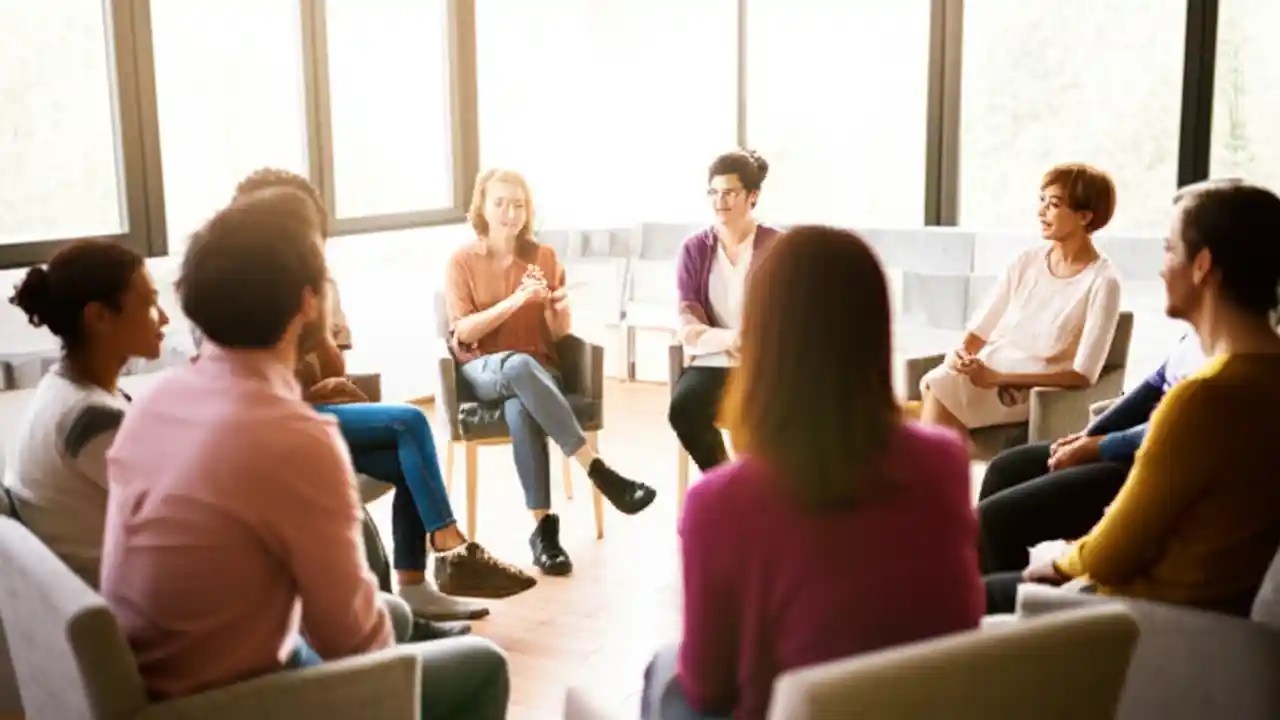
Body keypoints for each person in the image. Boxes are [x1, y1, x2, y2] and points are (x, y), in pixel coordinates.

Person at [101, 187, 508, 718]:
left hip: (159, 678)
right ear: (306, 301)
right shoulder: (293, 437)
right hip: (228, 700)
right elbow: (355, 644)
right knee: (483, 664)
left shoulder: (156, 405)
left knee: (398, 618)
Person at [644, 226, 983, 720]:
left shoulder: (718, 504)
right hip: (922, 704)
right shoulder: (945, 460)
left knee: (665, 673)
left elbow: (709, 684)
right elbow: (961, 623)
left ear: (761, 338)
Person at [231, 169, 534, 622]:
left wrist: (320, 339)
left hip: (308, 409)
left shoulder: (319, 284)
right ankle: (451, 546)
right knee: (409, 421)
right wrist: (311, 361)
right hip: (269, 424)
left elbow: (333, 366)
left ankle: (413, 590)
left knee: (407, 461)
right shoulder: (238, 286)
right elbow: (258, 383)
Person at [985, 179, 1280, 616]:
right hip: (1205, 607)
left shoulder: (1205, 399)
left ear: (1202, 266)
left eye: (1168, 250)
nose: (1162, 269)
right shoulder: (1259, 376)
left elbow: (1110, 554)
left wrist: (1061, 564)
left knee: (970, 598)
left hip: (1145, 616)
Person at [445, 168, 656, 576]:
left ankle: (544, 533)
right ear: (482, 207)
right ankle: (598, 470)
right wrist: (517, 300)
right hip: (483, 370)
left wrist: (560, 313)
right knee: (519, 366)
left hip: (539, 372)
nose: (510, 212)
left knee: (523, 407)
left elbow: (558, 335)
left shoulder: (544, 257)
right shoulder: (462, 261)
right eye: (500, 203)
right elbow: (463, 330)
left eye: (518, 204)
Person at [3, 240, 168, 586]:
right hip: (130, 604)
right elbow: (183, 515)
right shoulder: (91, 419)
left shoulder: (61, 389)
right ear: (99, 316)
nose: (164, 318)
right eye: (149, 303)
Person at [919, 163, 1123, 443]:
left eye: (1053, 204)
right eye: (1041, 201)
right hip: (987, 372)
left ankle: (941, 477)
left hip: (1031, 390)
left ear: (1085, 216)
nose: (1041, 212)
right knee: (940, 381)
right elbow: (981, 327)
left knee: (937, 388)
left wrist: (999, 378)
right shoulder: (1026, 261)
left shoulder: (1103, 282)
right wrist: (962, 355)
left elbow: (1083, 375)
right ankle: (945, 476)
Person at [977, 331, 1207, 573]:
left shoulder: (1229, 363)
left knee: (994, 520)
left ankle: (999, 599)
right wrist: (1086, 436)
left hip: (1154, 466)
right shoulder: (1193, 337)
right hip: (1127, 447)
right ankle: (981, 584)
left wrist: (1100, 446)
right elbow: (1153, 386)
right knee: (1005, 468)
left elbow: (1178, 427)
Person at [668, 149, 782, 473]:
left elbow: (792, 316)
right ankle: (727, 486)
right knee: (683, 409)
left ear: (752, 196)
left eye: (730, 193)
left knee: (766, 419)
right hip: (713, 361)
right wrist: (731, 339)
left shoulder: (778, 247)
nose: (721, 201)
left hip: (766, 365)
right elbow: (687, 323)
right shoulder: (694, 250)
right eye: (714, 193)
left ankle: (771, 494)